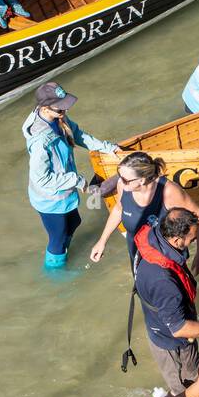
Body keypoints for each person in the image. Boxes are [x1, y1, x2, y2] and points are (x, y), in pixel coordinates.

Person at [134, 209, 199, 397]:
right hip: (173, 345)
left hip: (161, 331)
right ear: (176, 239)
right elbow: (179, 328)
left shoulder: (155, 235)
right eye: (191, 238)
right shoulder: (163, 280)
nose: (193, 241)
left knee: (192, 386)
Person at [23, 81, 118, 268]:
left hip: (66, 191)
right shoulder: (40, 141)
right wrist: (78, 181)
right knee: (57, 239)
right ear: (45, 108)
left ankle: (63, 252)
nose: (64, 112)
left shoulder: (59, 118)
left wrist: (108, 148)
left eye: (64, 107)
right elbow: (41, 178)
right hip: (50, 199)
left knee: (75, 221)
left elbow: (78, 135)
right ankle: (55, 272)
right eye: (60, 109)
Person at [90, 152, 199, 272]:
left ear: (142, 180)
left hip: (166, 260)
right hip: (137, 256)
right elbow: (119, 209)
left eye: (125, 179)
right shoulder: (123, 185)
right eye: (120, 176)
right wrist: (102, 241)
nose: (121, 181)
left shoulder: (168, 191)